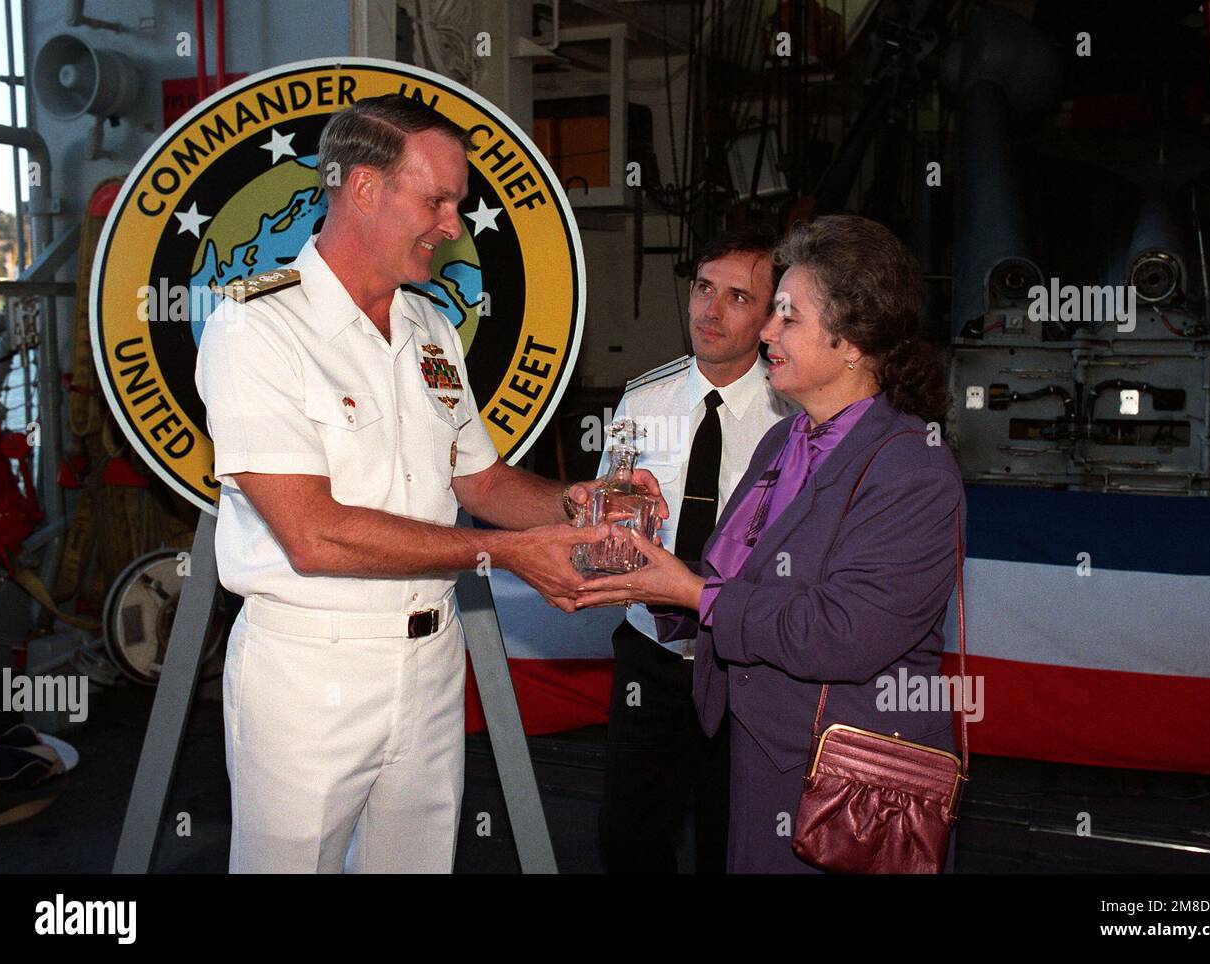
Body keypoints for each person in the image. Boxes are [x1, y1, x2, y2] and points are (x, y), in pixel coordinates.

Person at [195, 94, 663, 874]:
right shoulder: (257, 326)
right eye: (438, 199)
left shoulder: (430, 326)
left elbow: (479, 481)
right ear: (366, 190)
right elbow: (313, 535)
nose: (451, 225)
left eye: (458, 205)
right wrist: (510, 557)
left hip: (433, 660)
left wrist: (578, 504)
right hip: (313, 670)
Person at [577, 215, 966, 873]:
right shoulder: (785, 443)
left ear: (852, 340)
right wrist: (647, 569)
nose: (764, 332)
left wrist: (688, 590)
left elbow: (844, 632)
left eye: (787, 317)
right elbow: (741, 578)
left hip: (843, 788)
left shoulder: (912, 469)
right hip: (761, 760)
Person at [596, 228, 798, 874]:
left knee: (734, 842)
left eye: (738, 297)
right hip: (650, 659)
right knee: (627, 837)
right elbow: (601, 532)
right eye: (704, 288)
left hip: (746, 664)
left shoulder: (794, 420)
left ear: (771, 316)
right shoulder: (643, 399)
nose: (711, 311)